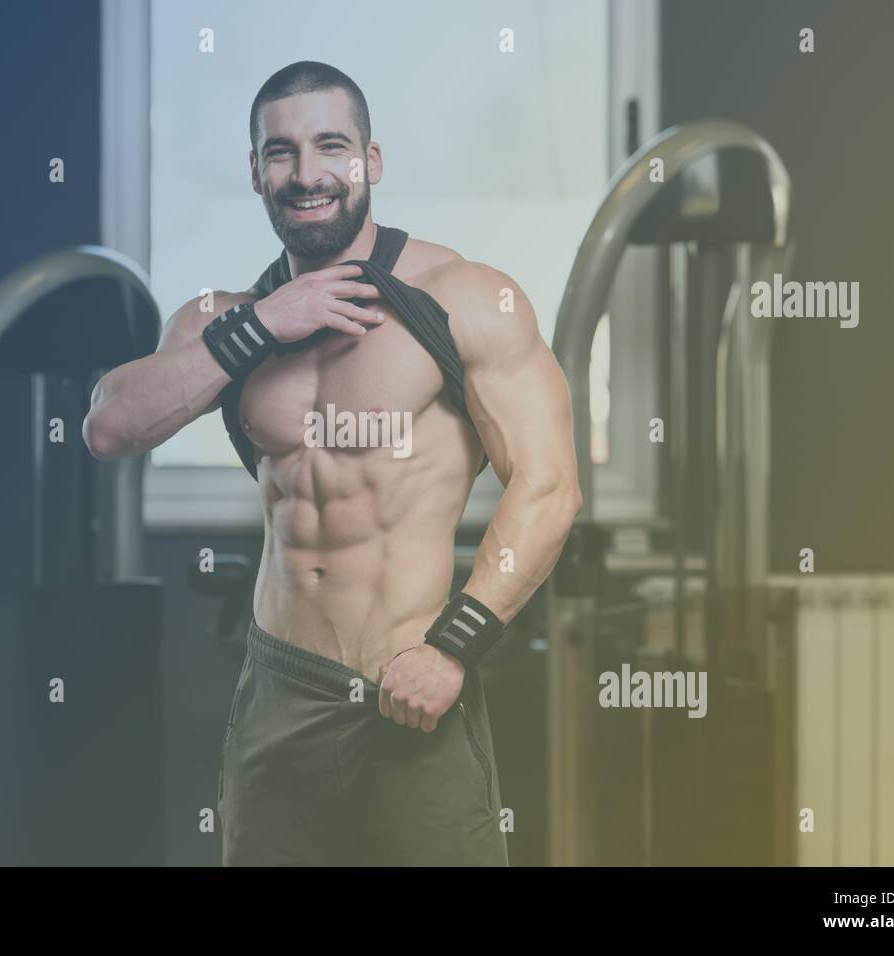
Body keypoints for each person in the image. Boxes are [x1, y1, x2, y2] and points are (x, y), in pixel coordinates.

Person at [83, 61, 581, 865]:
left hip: (412, 684)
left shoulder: (464, 298)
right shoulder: (226, 321)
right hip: (281, 689)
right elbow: (109, 426)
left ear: (370, 162)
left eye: (330, 147)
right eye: (280, 152)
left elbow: (551, 486)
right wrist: (266, 325)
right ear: (255, 171)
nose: (306, 173)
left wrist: (454, 645)